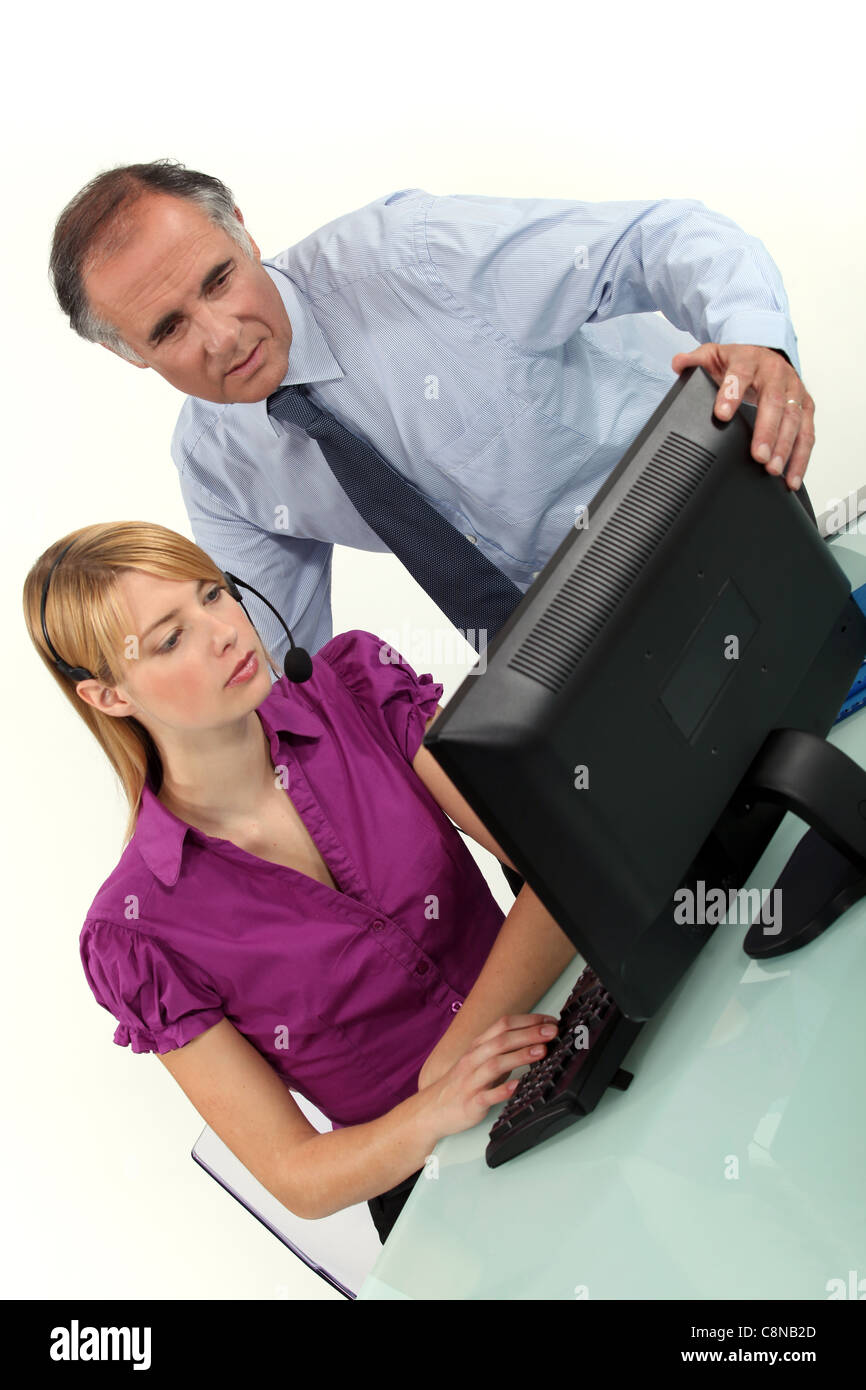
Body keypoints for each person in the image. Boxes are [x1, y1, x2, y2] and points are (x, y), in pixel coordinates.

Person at [22, 521, 579, 1242]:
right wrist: (435, 1109)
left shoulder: (356, 687)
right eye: (169, 639)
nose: (225, 631)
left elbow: (562, 860)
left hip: (572, 1025)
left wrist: (453, 1055)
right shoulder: (136, 931)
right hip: (437, 1182)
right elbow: (298, 1175)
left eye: (214, 595)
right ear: (109, 698)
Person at [48, 161, 818, 680]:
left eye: (220, 279)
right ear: (130, 356)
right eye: (170, 329)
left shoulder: (410, 258)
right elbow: (277, 663)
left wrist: (758, 342)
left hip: (713, 532)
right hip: (569, 661)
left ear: (245, 232)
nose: (223, 337)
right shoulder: (221, 466)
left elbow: (657, 239)